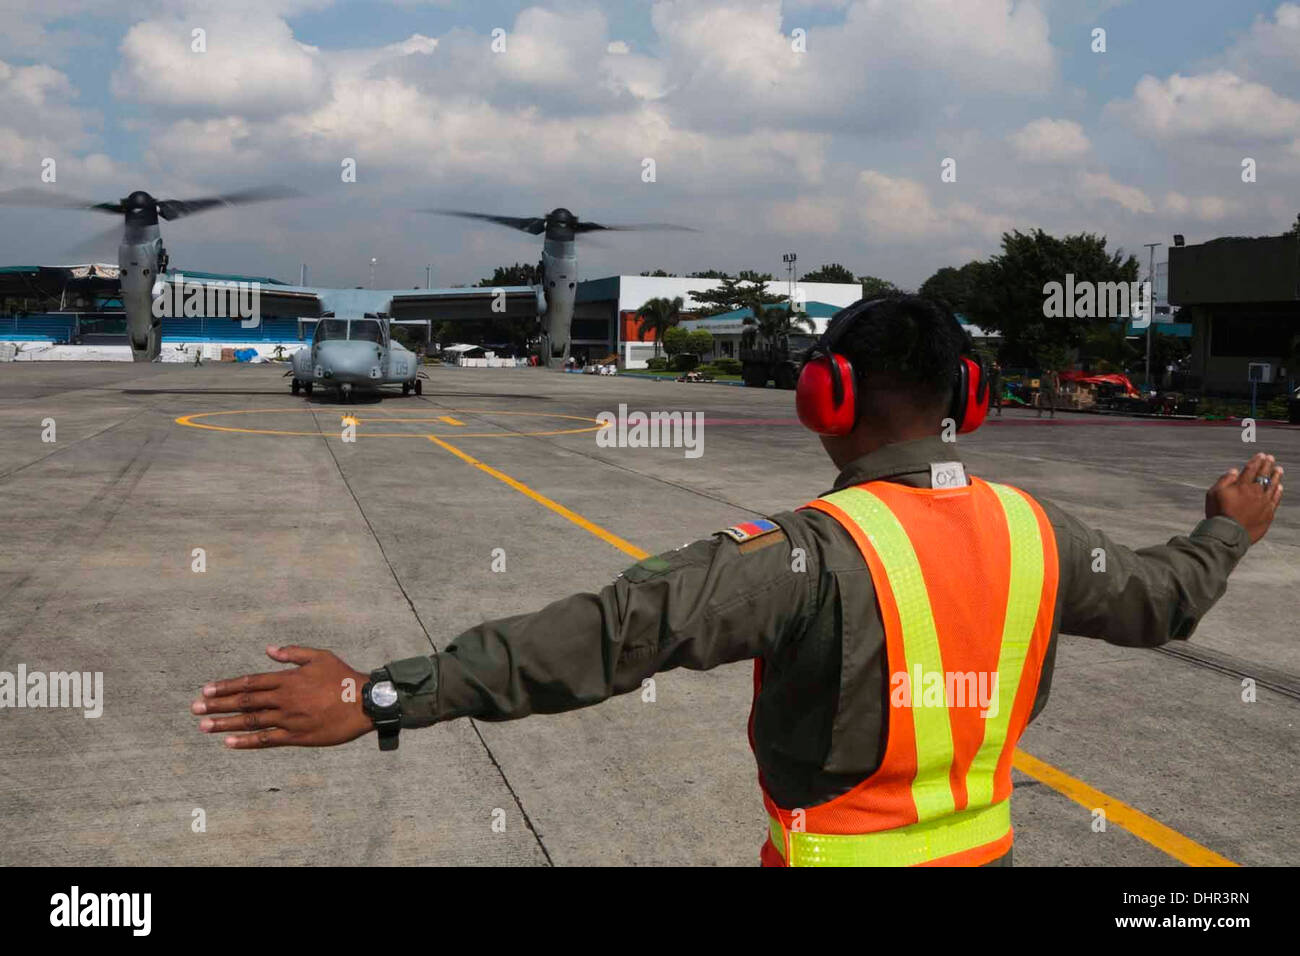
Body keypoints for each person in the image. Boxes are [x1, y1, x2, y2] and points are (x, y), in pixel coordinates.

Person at [191, 296, 1283, 867]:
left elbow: (606, 635)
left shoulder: (805, 553)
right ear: (974, 399)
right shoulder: (1039, 529)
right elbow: (1164, 599)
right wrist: (1224, 530)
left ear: (825, 397)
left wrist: (379, 690)